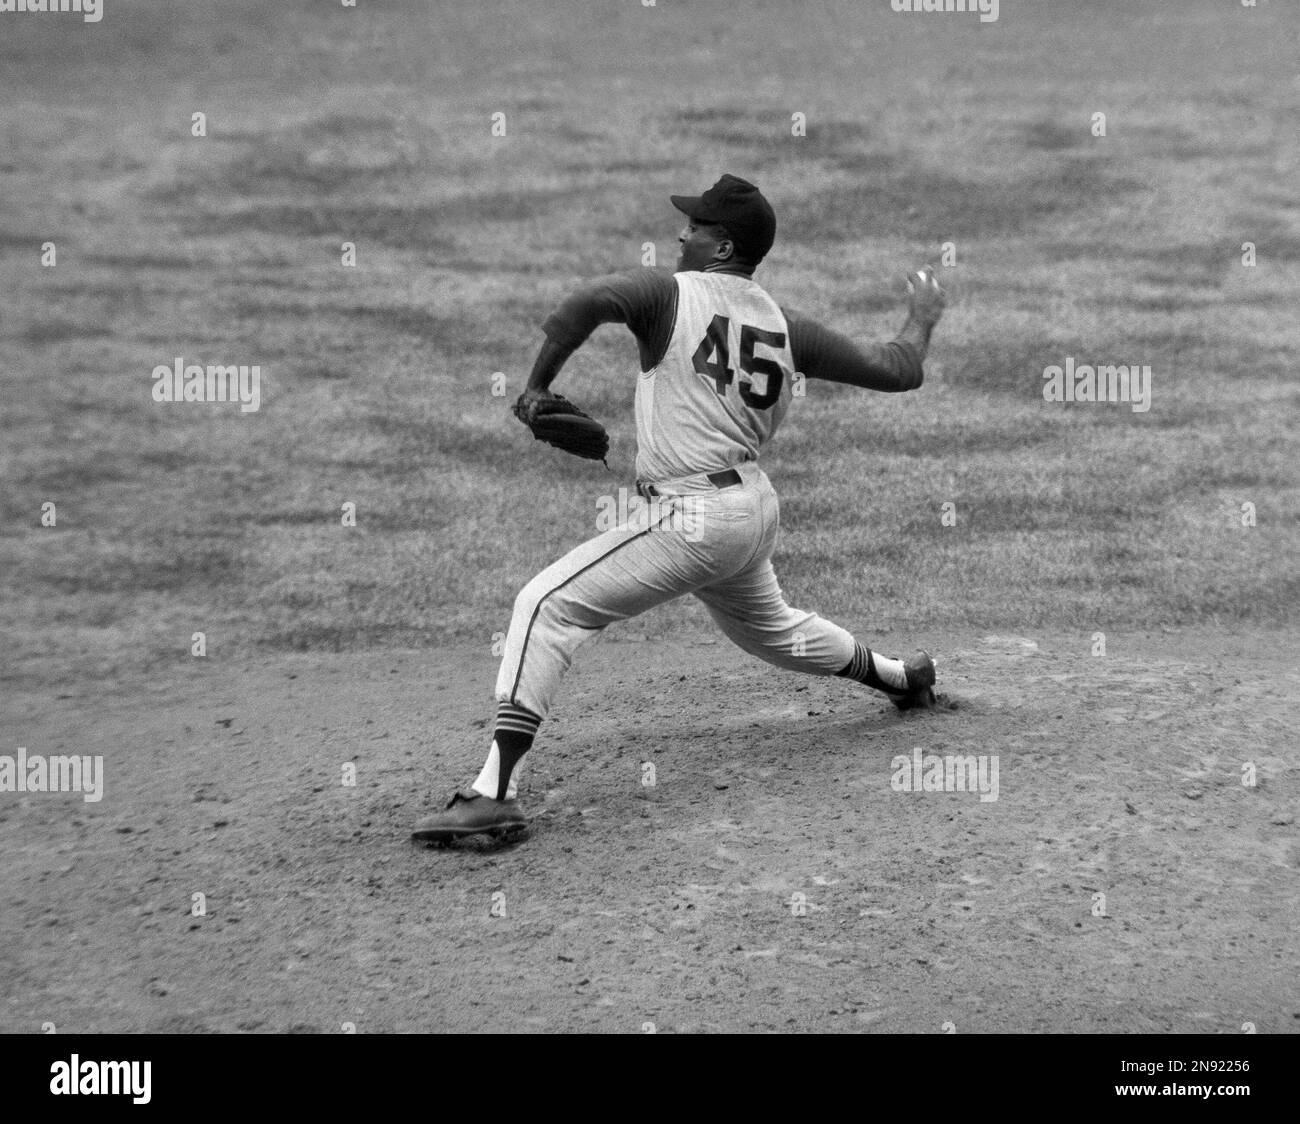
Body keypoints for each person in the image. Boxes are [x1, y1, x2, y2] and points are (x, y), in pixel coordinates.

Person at [413, 173, 946, 844]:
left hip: (693, 516)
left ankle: (494, 793)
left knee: (546, 607)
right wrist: (922, 319)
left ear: (722, 248)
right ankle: (905, 678)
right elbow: (898, 368)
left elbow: (588, 301)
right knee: (774, 631)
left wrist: (535, 387)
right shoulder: (785, 326)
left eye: (694, 228)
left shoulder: (669, 295)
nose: (680, 235)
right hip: (748, 511)